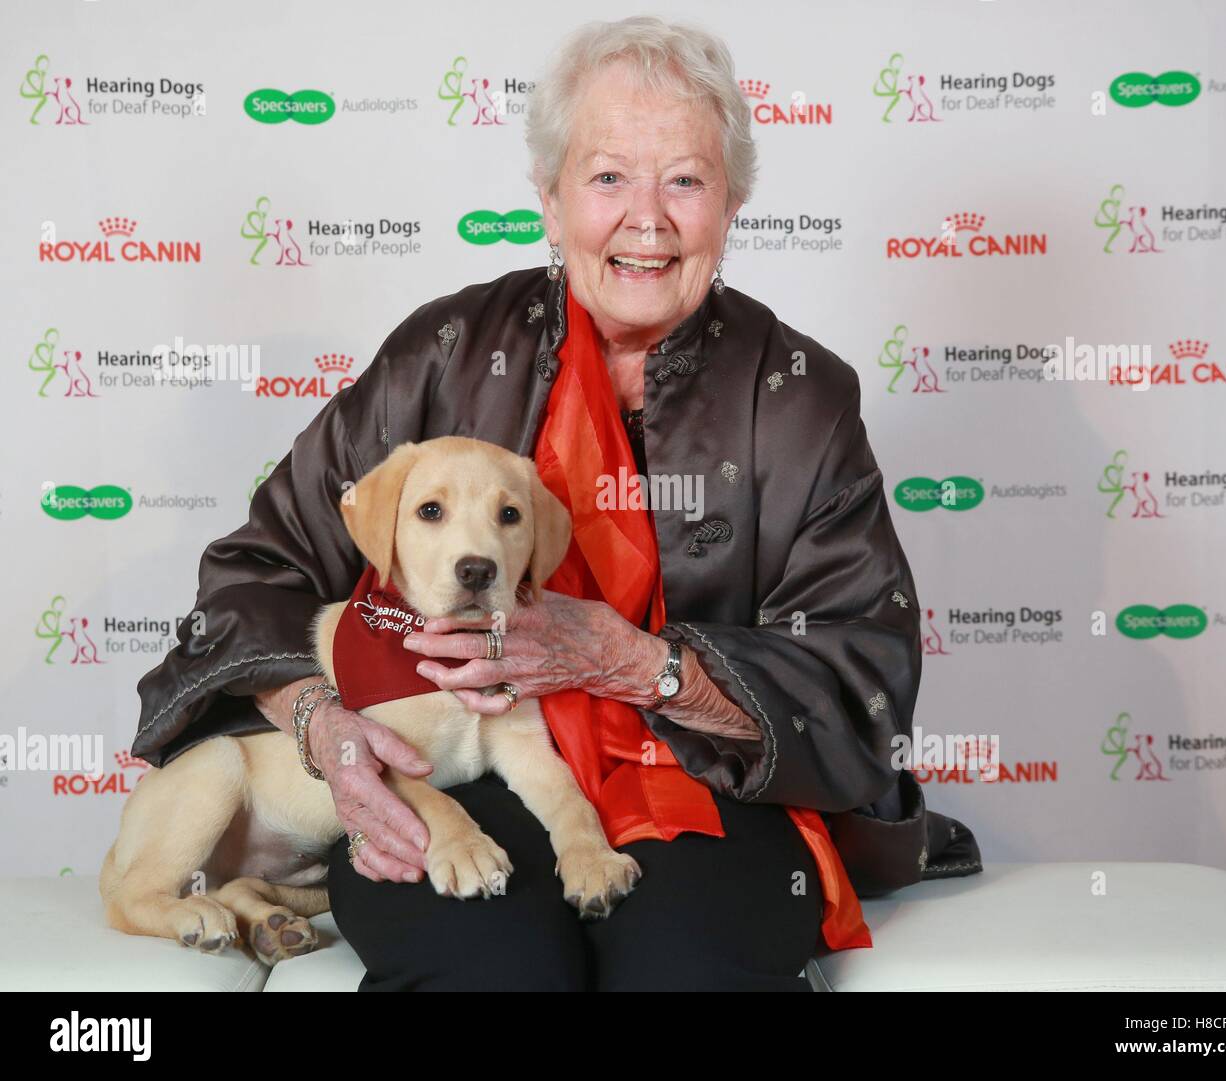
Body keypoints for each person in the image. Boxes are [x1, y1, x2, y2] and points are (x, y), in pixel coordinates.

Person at [132, 15, 980, 992]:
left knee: (691, 965)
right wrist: (325, 726)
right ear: (549, 196)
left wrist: (640, 663)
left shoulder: (799, 397)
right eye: (608, 176)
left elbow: (858, 677)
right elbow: (256, 576)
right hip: (450, 773)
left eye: (686, 181)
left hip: (698, 786)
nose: (647, 219)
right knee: (486, 964)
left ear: (732, 203)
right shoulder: (443, 353)